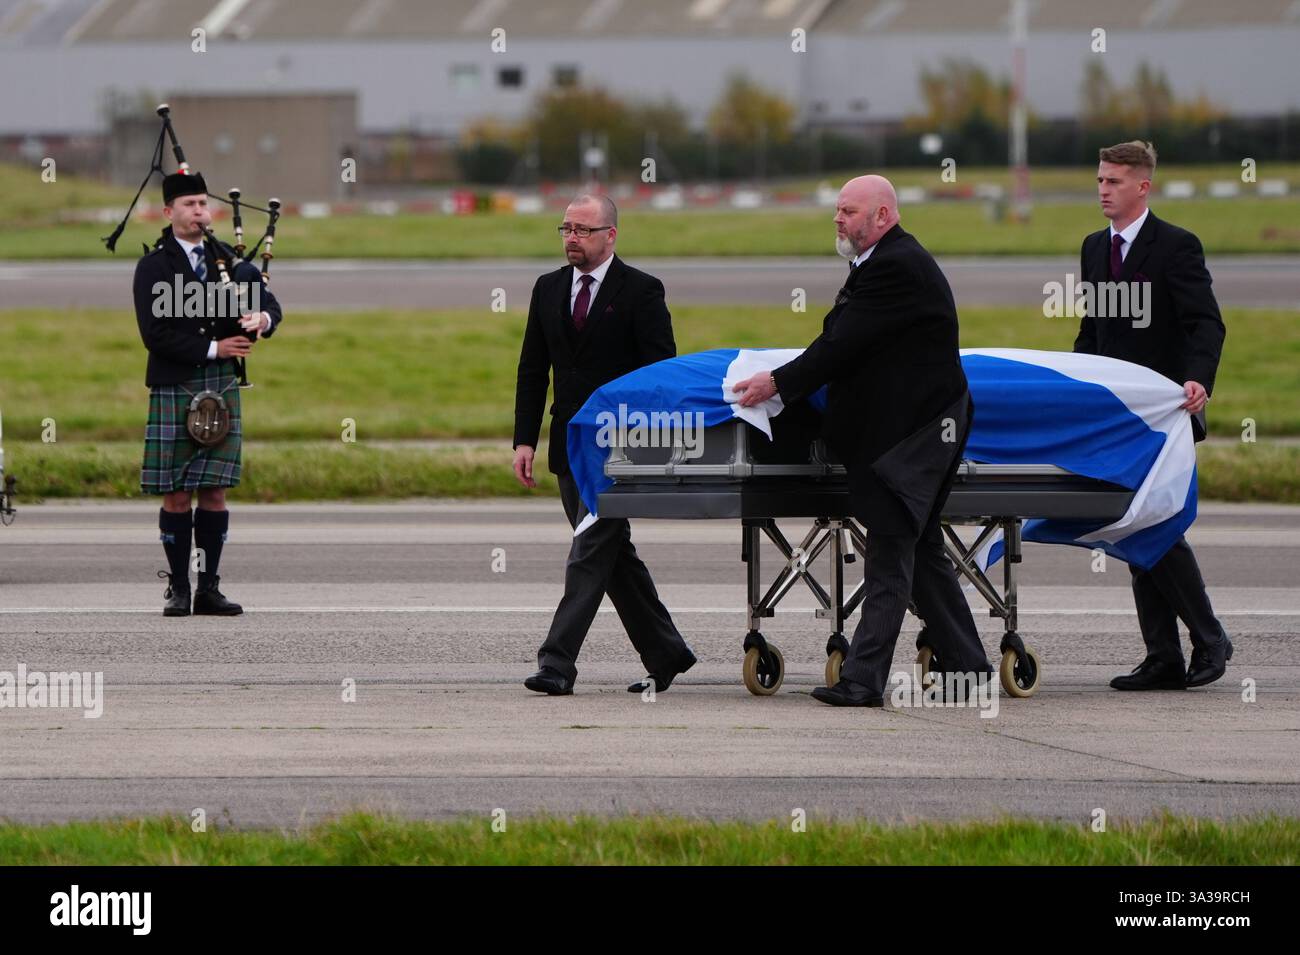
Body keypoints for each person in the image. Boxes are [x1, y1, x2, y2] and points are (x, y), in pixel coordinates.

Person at [733, 175, 991, 706]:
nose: (838, 220)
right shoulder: (877, 263)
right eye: (837, 211)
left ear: (883, 216)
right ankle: (970, 667)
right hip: (914, 430)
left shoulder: (896, 265)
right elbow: (842, 340)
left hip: (916, 437)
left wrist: (778, 382)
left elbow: (840, 344)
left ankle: (863, 680)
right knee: (919, 550)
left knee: (892, 552)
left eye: (849, 211)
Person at [512, 194, 696, 696]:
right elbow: (532, 371)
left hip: (621, 448)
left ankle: (556, 662)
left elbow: (662, 371)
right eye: (566, 228)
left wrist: (654, 440)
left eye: (583, 230)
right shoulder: (547, 288)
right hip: (568, 445)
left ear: (610, 236)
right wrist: (524, 439)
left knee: (590, 548)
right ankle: (667, 652)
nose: (572, 237)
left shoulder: (641, 290)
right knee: (613, 554)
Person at [1074, 140, 1231, 690]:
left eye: (1114, 181)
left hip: (1164, 413)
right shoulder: (1095, 248)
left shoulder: (1176, 247)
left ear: (1143, 186)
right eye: (1099, 180)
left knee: (1152, 524)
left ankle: (1208, 639)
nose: (1102, 190)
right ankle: (1164, 656)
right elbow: (1093, 333)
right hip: (1115, 416)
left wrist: (1198, 381)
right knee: (1136, 524)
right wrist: (1077, 387)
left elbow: (1206, 324)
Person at [135, 171, 282, 616]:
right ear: (168, 212)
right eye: (189, 205)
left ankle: (209, 587)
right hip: (175, 383)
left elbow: (269, 304)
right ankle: (179, 587)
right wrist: (215, 347)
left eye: (203, 204)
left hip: (219, 386)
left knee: (214, 491)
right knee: (177, 493)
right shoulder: (154, 267)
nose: (198, 212)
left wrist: (263, 321)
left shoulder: (228, 262)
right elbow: (153, 333)